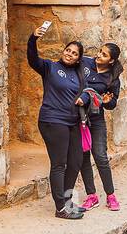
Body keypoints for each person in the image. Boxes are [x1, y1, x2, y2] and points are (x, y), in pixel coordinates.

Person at [28, 25, 87, 219]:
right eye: (67, 50)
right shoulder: (50, 67)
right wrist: (33, 39)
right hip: (53, 120)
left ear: (79, 58)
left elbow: (87, 93)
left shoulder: (78, 75)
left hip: (72, 121)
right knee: (59, 163)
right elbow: (32, 60)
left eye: (74, 53)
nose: (69, 54)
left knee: (76, 160)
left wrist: (85, 99)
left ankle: (68, 200)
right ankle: (61, 208)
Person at [77, 42, 122, 211]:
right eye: (100, 52)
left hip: (96, 120)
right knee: (83, 156)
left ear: (111, 61)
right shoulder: (85, 63)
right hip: (78, 118)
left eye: (104, 54)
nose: (98, 55)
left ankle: (111, 196)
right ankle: (92, 195)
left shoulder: (112, 78)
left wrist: (108, 102)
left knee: (100, 156)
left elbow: (112, 103)